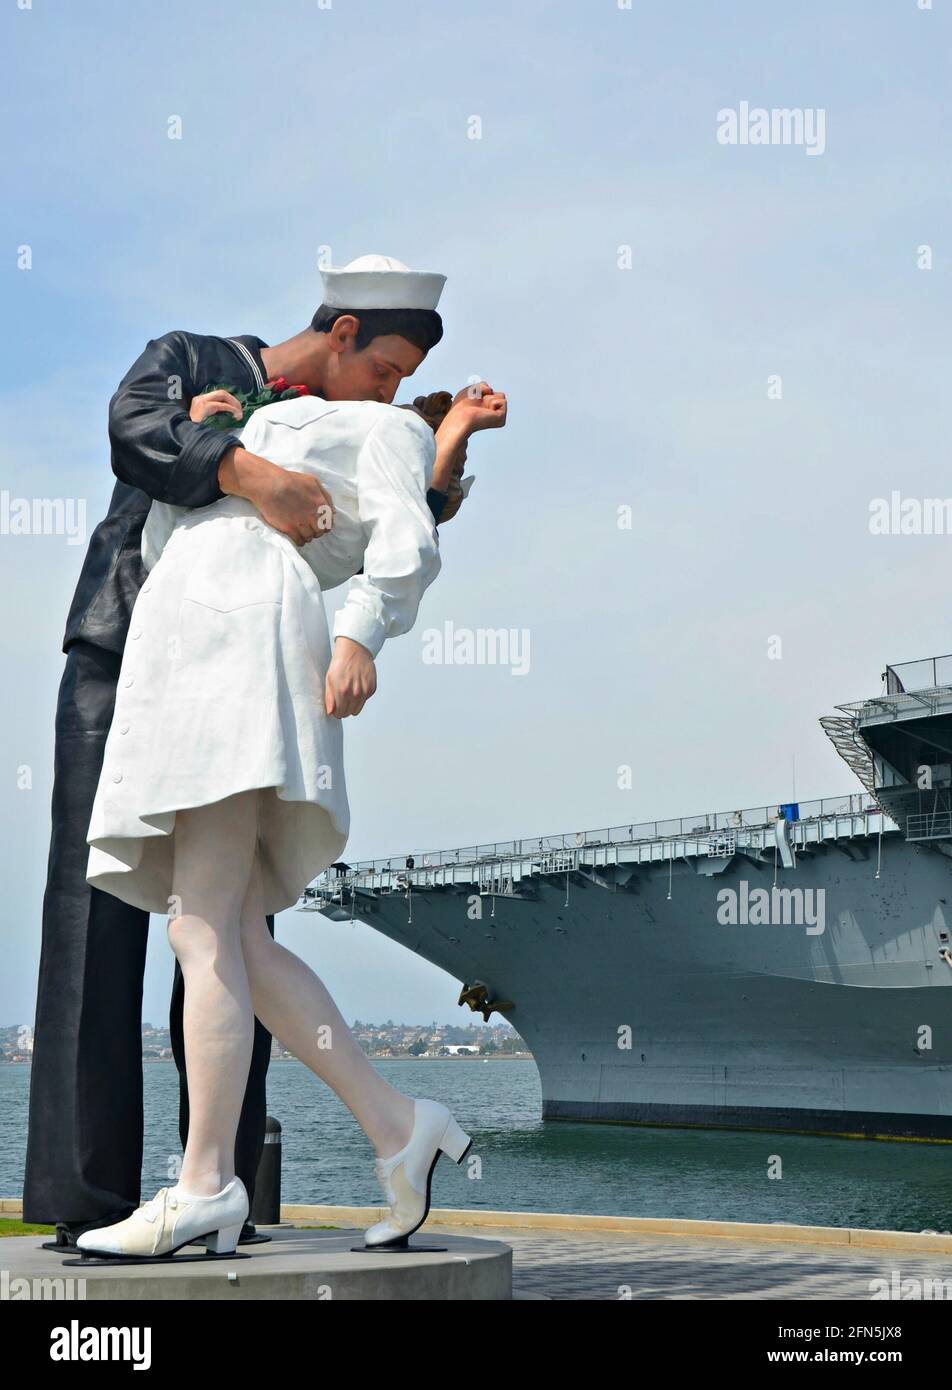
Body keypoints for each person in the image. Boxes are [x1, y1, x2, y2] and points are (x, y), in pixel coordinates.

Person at [22, 254, 490, 1248]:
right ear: (345, 334)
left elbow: (384, 523)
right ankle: (101, 1189)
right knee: (120, 926)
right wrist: (250, 470)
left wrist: (434, 458)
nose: (391, 390)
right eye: (387, 367)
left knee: (215, 927)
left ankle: (212, 1182)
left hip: (232, 650)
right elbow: (135, 429)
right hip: (126, 649)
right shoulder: (194, 360)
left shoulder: (366, 423)